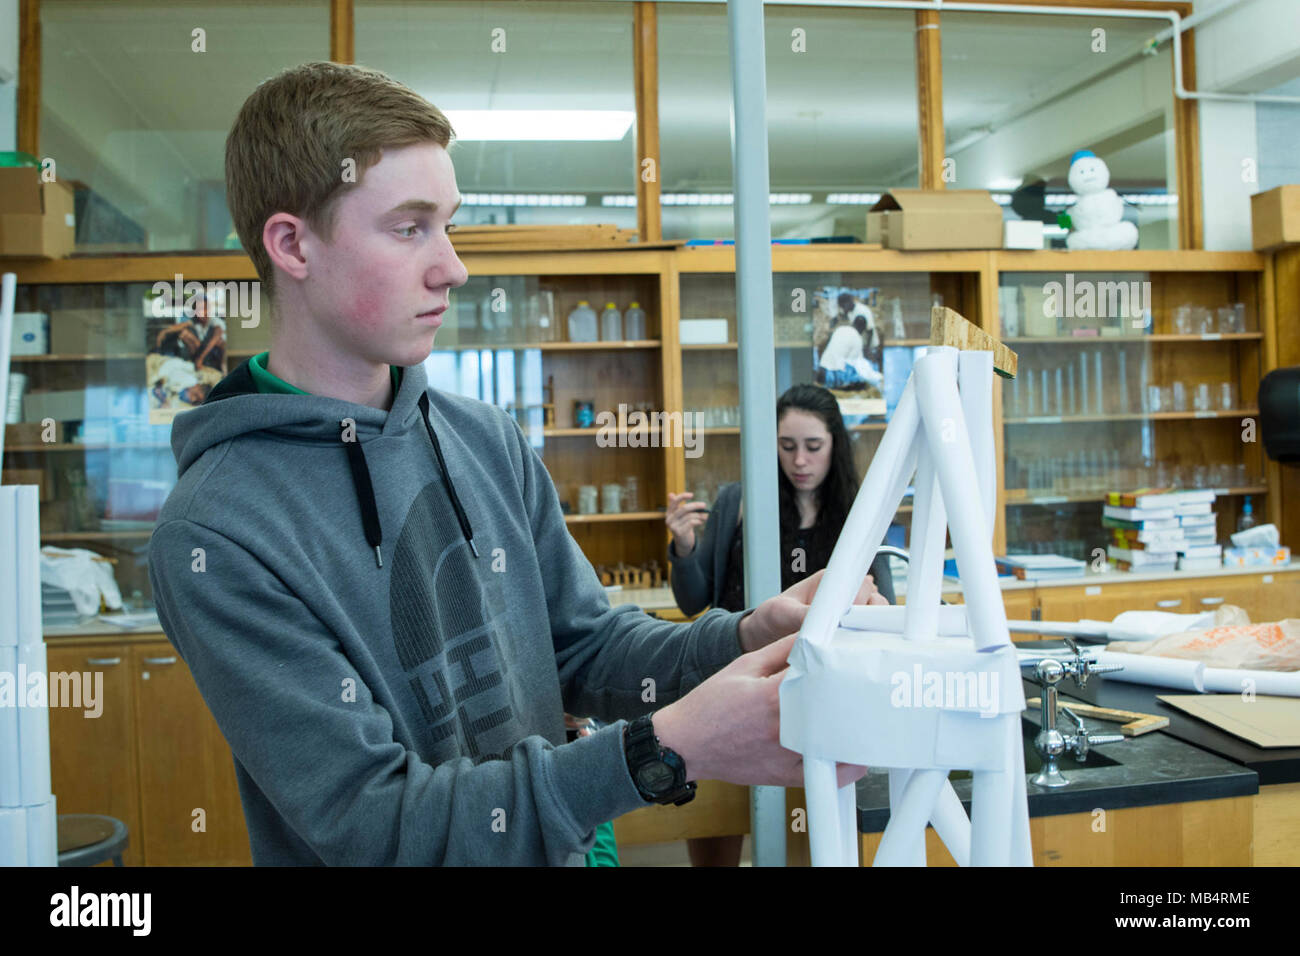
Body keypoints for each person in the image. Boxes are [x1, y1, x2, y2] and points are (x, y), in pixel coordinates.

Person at [146, 62, 882, 867]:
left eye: (449, 226)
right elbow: (373, 825)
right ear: (292, 244)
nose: (453, 267)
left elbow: (582, 649)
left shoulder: (483, 438)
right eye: (408, 227)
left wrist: (739, 636)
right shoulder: (217, 528)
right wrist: (658, 750)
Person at [664, 383, 895, 866]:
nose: (800, 461)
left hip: (824, 700)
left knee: (813, 842)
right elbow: (692, 602)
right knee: (717, 830)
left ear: (836, 444)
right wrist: (684, 547)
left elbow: (885, 610)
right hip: (735, 686)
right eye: (787, 447)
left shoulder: (858, 512)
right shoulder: (740, 501)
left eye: (814, 447)